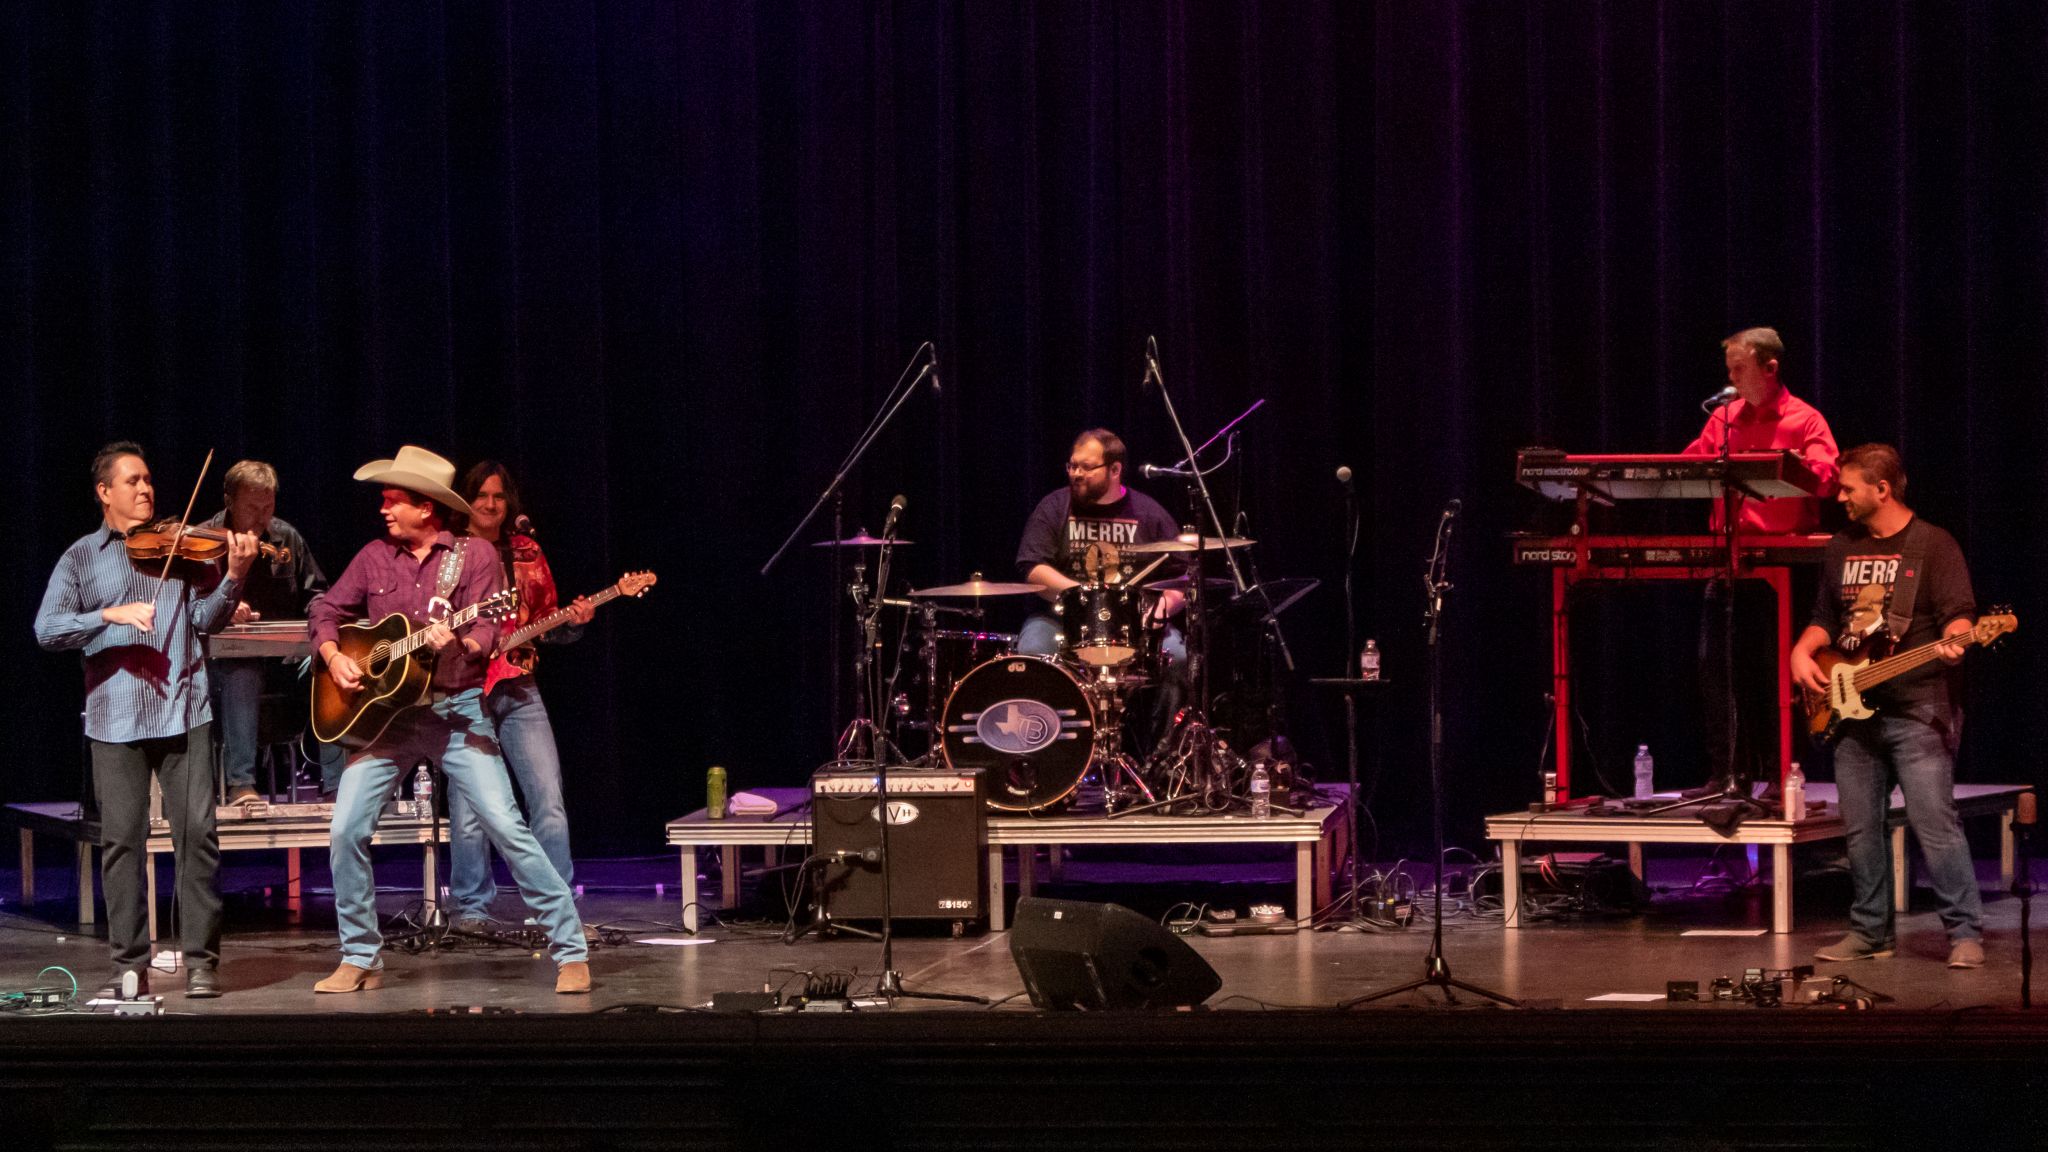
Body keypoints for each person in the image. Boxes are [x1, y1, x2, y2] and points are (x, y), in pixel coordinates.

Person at [306, 446, 590, 994]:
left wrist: (462, 638)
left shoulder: (474, 556)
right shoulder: (372, 557)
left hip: (456, 710)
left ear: (426, 508)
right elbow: (326, 609)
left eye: (394, 501)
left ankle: (570, 948)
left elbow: (489, 628)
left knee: (507, 825)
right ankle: (360, 955)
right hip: (389, 720)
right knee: (344, 830)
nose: (384, 510)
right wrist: (334, 655)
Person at [35, 441, 258, 1000]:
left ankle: (203, 963)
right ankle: (128, 965)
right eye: (132, 481)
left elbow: (204, 618)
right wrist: (109, 615)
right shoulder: (81, 558)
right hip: (114, 719)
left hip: (184, 709)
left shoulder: (178, 550)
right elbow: (48, 629)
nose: (146, 490)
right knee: (122, 846)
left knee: (198, 839)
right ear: (104, 492)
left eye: (149, 480)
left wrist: (232, 577)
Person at [1792, 444, 1983, 969]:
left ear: (1882, 489)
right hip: (1851, 711)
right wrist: (1800, 650)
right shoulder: (1841, 546)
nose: (1839, 496)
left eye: (1848, 487)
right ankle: (1870, 932)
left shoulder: (1933, 545)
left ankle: (1964, 933)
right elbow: (1824, 617)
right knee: (1860, 830)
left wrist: (1957, 639)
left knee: (1934, 824)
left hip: (1917, 708)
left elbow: (1960, 616)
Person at [1680, 327, 1841, 792]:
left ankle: (1779, 774)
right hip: (1728, 561)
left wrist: (1784, 465)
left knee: (1777, 674)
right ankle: (1727, 774)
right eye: (1728, 369)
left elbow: (1828, 479)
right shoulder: (1725, 418)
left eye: (1738, 369)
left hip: (1781, 566)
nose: (1729, 378)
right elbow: (1689, 466)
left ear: (1770, 369)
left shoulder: (1805, 419)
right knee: (1717, 670)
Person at [445, 461, 595, 937]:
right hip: (467, 687)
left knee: (547, 797)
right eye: (482, 496)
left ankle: (556, 907)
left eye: (499, 497)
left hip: (518, 683)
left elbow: (547, 624)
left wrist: (573, 621)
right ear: (466, 501)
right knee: (471, 806)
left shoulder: (527, 550)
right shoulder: (450, 554)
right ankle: (470, 909)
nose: (491, 505)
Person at [201, 459, 341, 804]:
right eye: (252, 507)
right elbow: (192, 604)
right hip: (221, 669)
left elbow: (317, 593)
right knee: (242, 670)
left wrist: (321, 620)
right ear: (229, 501)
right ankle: (242, 785)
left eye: (269, 506)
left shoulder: (286, 537)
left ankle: (338, 784)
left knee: (330, 666)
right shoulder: (204, 541)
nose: (262, 516)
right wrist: (225, 603)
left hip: (284, 662)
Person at [1014, 428, 1186, 666]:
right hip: (1062, 619)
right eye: (1072, 466)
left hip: (1134, 624)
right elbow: (1033, 568)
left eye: (1086, 467)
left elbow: (1181, 580)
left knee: (1176, 659)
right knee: (1033, 651)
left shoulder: (1150, 514)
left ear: (1115, 470)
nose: (1076, 474)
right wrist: (1085, 598)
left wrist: (1157, 613)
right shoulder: (1053, 507)